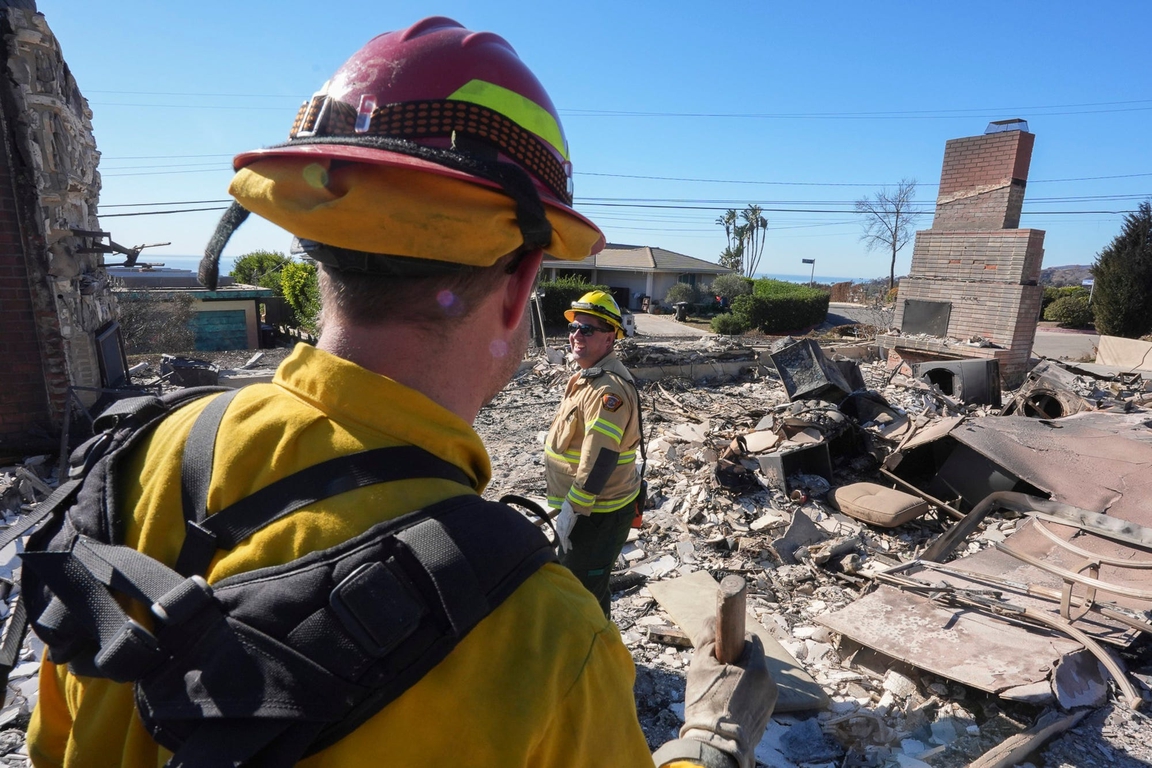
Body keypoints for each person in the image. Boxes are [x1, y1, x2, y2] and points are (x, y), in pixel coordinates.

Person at [27, 17, 775, 768]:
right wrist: (715, 740)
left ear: (316, 244)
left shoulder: (140, 455)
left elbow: (53, 742)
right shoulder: (547, 639)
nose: (575, 336)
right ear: (521, 285)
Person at [546, 290, 642, 617]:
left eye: (587, 329)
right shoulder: (587, 378)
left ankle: (595, 645)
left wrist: (573, 509)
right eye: (574, 327)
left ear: (610, 337)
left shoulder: (607, 389)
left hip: (596, 514)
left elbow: (600, 458)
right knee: (580, 589)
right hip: (587, 511)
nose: (576, 335)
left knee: (583, 595)